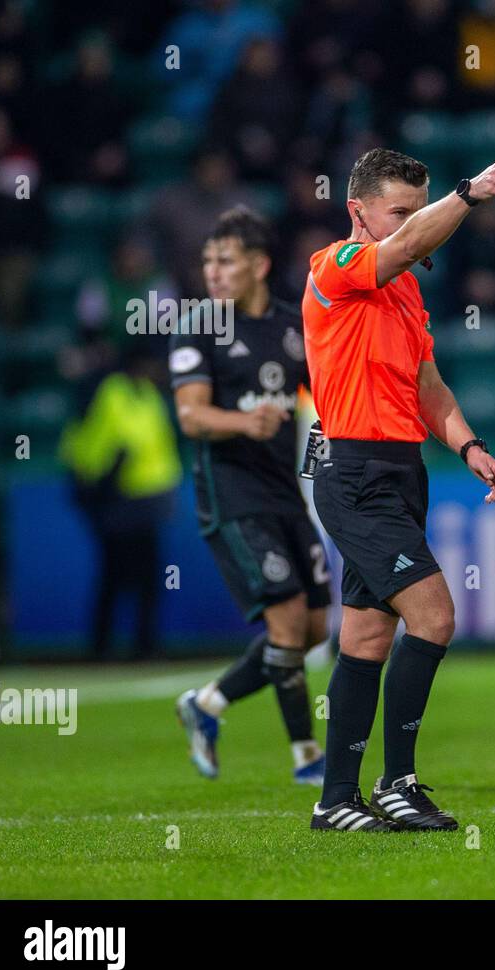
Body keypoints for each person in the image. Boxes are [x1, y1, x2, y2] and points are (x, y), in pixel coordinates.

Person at [302, 147, 495, 831]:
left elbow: (428, 387)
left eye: (416, 211)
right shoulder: (333, 269)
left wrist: (469, 443)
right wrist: (467, 196)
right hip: (354, 472)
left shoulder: (406, 289)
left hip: (401, 470)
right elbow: (404, 249)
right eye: (399, 212)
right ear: (356, 211)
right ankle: (398, 782)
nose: (411, 225)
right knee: (435, 617)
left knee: (366, 639)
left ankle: (336, 801)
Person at [169, 207, 331, 786]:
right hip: (232, 496)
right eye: (208, 261)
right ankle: (307, 755)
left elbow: (325, 398)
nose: (212, 271)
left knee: (313, 628)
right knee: (287, 624)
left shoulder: (293, 327)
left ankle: (208, 702)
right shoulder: (197, 326)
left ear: (259, 265)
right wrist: (245, 423)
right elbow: (190, 416)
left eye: (225, 261)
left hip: (286, 494)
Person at [60, 350, 182, 660]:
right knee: (115, 575)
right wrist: (96, 485)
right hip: (115, 498)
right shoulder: (113, 391)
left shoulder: (146, 394)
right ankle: (103, 647)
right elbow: (107, 441)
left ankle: (143, 645)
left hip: (145, 499)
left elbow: (156, 446)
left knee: (146, 577)